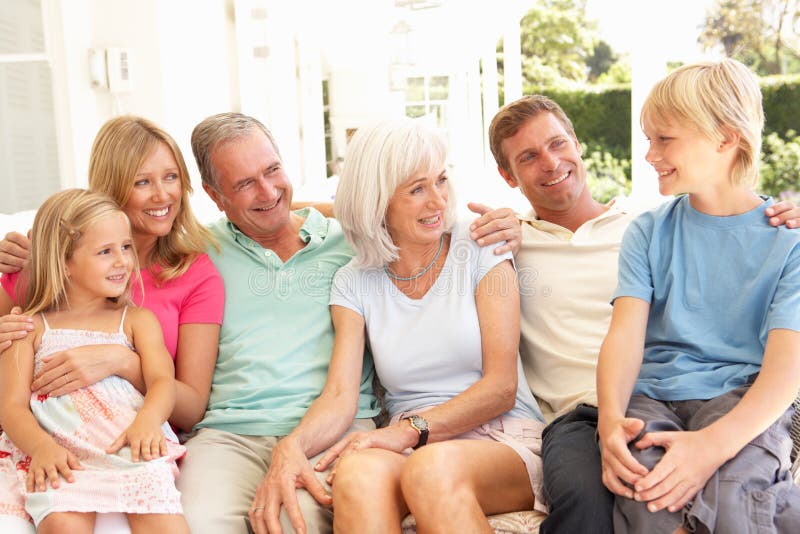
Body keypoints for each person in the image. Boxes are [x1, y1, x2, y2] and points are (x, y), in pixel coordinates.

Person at [478, 94, 800, 534]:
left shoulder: (645, 224)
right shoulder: (504, 246)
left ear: (576, 143)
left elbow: (726, 221)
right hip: (581, 413)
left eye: (557, 144)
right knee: (586, 499)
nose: (551, 163)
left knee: (726, 489)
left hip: (656, 392)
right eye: (529, 157)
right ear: (507, 176)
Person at [284, 117, 546, 532]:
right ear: (378, 200)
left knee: (431, 469)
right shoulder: (354, 280)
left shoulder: (481, 246)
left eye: (441, 180)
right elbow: (339, 395)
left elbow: (501, 387)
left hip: (502, 436)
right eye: (417, 189)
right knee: (355, 477)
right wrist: (289, 448)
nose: (438, 201)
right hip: (409, 445)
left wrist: (410, 431)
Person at [596, 58, 800, 533]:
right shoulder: (647, 232)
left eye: (664, 139)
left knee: (734, 497)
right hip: (654, 398)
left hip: (743, 398)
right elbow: (624, 337)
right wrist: (609, 421)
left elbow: (788, 368)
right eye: (648, 139)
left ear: (726, 138)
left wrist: (713, 446)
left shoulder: (789, 240)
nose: (649, 154)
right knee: (645, 492)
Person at [176, 112, 379, 534]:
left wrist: (510, 224)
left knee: (292, 523)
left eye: (273, 170)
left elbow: (427, 218)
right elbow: (101, 251)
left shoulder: (351, 242)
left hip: (334, 429)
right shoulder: (197, 253)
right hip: (230, 435)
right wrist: (22, 259)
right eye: (245, 183)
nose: (269, 192)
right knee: (197, 523)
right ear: (215, 196)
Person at [0, 116, 224, 434]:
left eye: (171, 177)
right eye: (142, 182)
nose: (163, 195)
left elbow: (191, 409)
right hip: (49, 440)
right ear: (113, 187)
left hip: (137, 440)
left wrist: (121, 361)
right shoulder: (54, 261)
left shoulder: (196, 275)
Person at [0, 189, 188, 534]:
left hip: (131, 446)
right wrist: (41, 448)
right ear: (64, 262)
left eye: (126, 247)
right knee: (62, 524)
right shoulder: (29, 327)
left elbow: (162, 381)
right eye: (105, 251)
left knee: (166, 524)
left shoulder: (137, 321)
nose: (123, 261)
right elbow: (11, 406)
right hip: (61, 451)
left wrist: (148, 421)